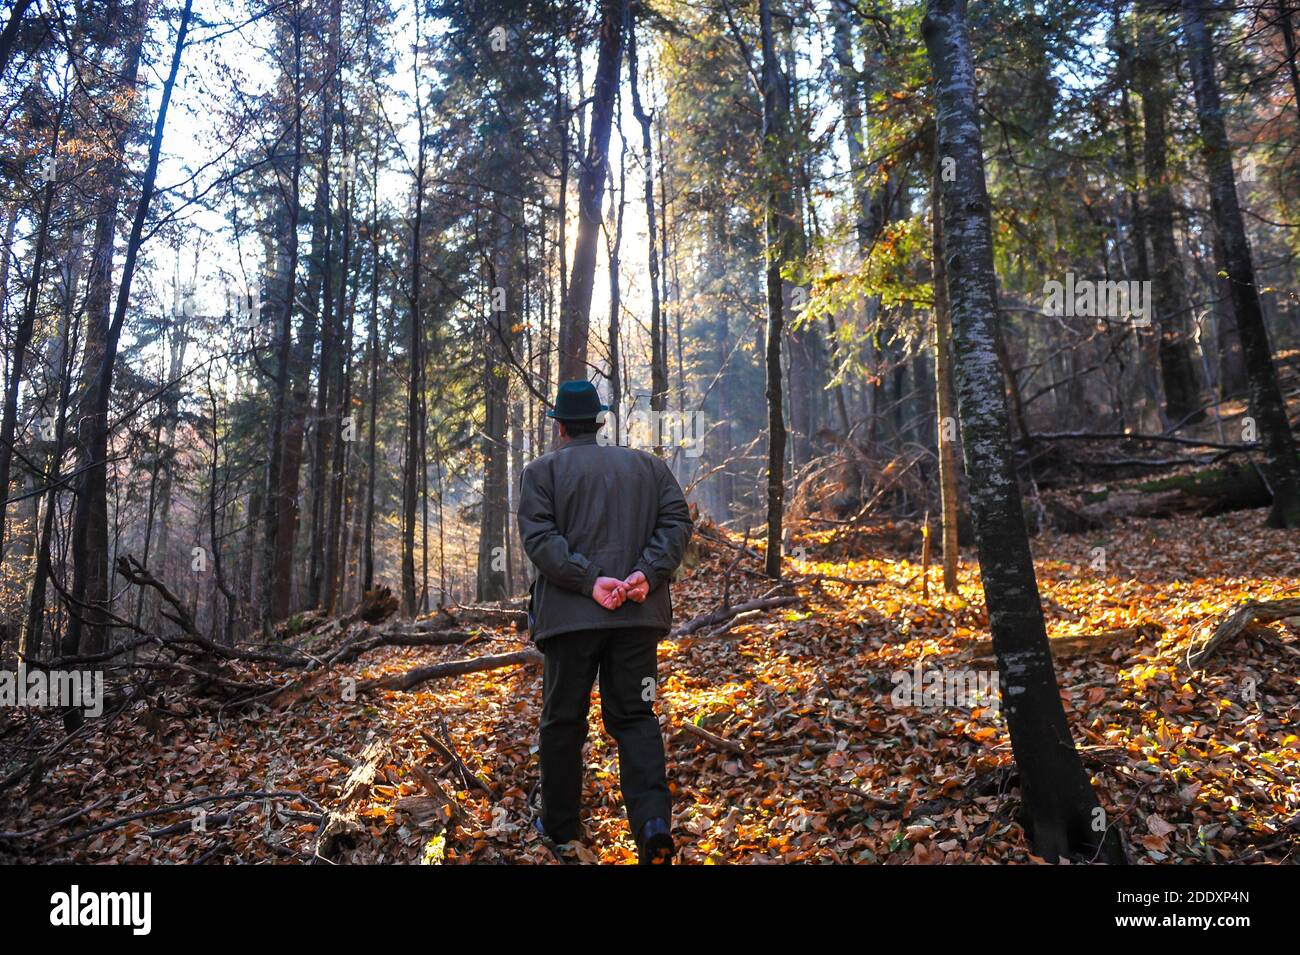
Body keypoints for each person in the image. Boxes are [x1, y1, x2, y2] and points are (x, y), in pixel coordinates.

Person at [518, 379, 693, 864]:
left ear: (559, 426)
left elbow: (539, 539)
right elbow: (677, 522)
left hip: (570, 623)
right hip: (636, 619)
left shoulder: (540, 472)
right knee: (635, 717)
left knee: (562, 722)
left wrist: (590, 580)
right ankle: (653, 825)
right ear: (600, 422)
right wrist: (646, 573)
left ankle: (560, 828)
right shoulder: (648, 467)